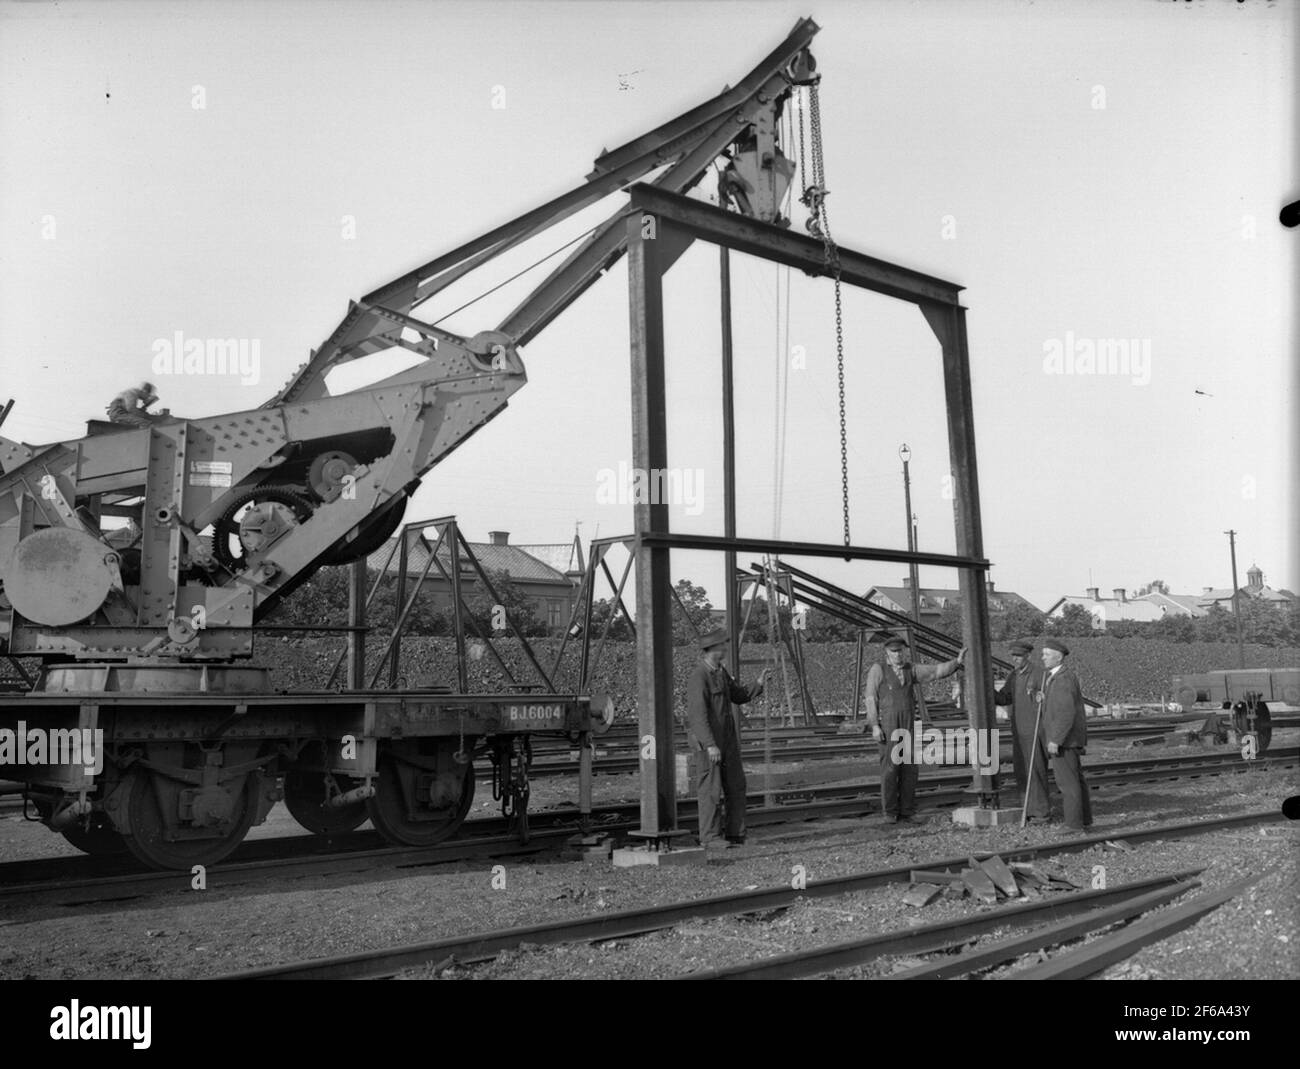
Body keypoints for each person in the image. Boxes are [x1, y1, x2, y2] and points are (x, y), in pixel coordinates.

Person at [863, 632, 965, 823]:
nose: (898, 655)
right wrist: (875, 726)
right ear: (887, 652)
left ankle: (907, 810)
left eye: (900, 651)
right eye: (894, 651)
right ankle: (890, 812)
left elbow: (935, 671)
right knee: (890, 769)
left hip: (907, 725)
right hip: (888, 725)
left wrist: (956, 662)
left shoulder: (912, 670)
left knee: (909, 768)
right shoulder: (878, 670)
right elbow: (870, 698)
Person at [686, 628, 768, 850]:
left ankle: (735, 834)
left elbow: (739, 696)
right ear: (713, 649)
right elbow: (697, 715)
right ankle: (710, 838)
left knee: (736, 786)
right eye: (722, 645)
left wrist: (757, 684)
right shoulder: (699, 676)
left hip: (727, 742)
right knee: (711, 791)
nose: (725, 648)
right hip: (710, 744)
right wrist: (710, 744)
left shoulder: (720, 673)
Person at [1037, 637, 1092, 831]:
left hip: (1065, 741)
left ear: (1058, 657)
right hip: (1069, 739)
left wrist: (1056, 740)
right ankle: (1083, 819)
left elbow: (1066, 713)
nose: (1042, 657)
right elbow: (1060, 706)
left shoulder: (1062, 679)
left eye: (1046, 654)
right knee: (1076, 779)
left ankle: (1074, 824)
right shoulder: (1058, 677)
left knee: (1067, 783)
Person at [995, 639, 1051, 822]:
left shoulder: (1040, 674)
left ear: (1028, 655)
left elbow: (1048, 703)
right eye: (1013, 656)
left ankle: (1041, 811)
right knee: (1022, 771)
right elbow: (1004, 698)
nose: (1015, 659)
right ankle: (1027, 809)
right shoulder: (1014, 675)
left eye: (1019, 656)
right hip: (1018, 732)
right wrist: (988, 687)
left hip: (1035, 731)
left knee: (1036, 770)